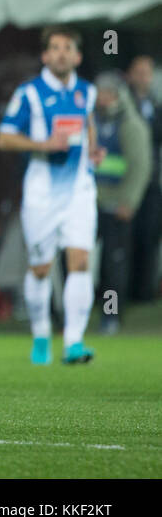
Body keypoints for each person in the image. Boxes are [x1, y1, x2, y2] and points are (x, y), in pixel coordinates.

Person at [0, 27, 101, 366]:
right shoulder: (29, 93)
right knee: (41, 268)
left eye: (67, 48)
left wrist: (94, 150)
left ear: (77, 56)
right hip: (41, 193)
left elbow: (88, 128)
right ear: (45, 56)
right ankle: (41, 334)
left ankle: (74, 341)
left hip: (79, 192)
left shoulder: (88, 91)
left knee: (80, 261)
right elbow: (4, 138)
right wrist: (42, 145)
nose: (60, 54)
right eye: (54, 48)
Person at [92, 71, 152, 334]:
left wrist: (129, 201)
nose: (102, 99)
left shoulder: (130, 123)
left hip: (117, 205)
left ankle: (111, 317)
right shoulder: (92, 120)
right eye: (99, 94)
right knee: (79, 260)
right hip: (91, 203)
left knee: (113, 265)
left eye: (107, 94)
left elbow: (140, 166)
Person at [125, 55, 161, 302]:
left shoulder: (156, 108)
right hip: (125, 184)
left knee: (149, 237)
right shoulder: (121, 107)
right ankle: (118, 293)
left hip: (151, 182)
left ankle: (144, 293)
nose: (142, 78)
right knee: (123, 239)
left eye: (147, 73)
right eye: (138, 72)